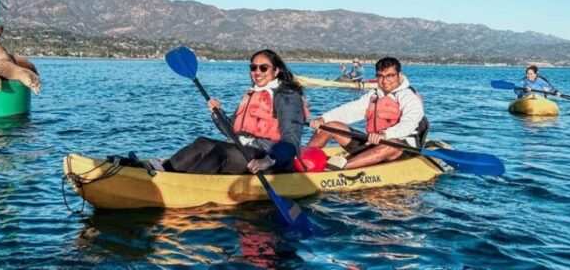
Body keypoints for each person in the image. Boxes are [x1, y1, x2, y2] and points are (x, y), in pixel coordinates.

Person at [161, 49, 308, 175]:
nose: (257, 72)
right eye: (253, 68)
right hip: (244, 149)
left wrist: (268, 160)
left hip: (271, 158)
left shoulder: (287, 96)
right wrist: (217, 114)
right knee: (202, 143)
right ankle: (163, 170)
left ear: (276, 71)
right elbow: (232, 131)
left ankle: (184, 184)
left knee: (222, 151)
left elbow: (292, 140)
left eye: (263, 68)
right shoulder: (253, 93)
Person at [308, 57, 426, 170]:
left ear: (399, 75)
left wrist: (385, 135)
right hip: (373, 143)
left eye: (390, 76)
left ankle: (341, 169)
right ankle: (303, 160)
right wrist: (323, 119)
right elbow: (349, 110)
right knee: (330, 126)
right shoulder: (373, 95)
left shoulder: (409, 97)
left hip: (401, 148)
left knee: (390, 144)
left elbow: (409, 124)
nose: (385, 81)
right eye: (380, 76)